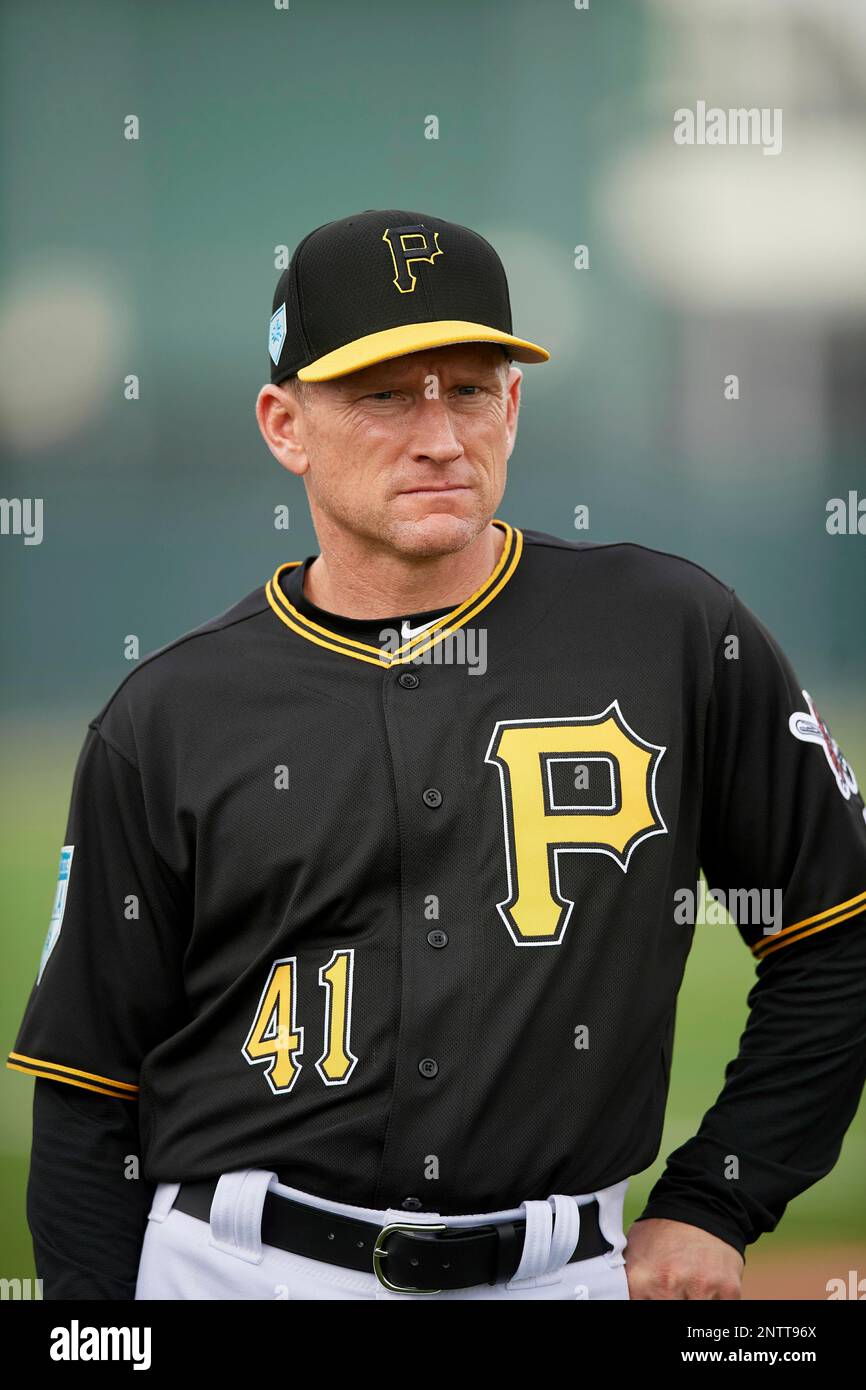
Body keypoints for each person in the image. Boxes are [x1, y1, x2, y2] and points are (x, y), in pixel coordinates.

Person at [9, 209, 866, 1301]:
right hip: (238, 1270)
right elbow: (89, 1092)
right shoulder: (169, 712)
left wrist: (717, 1196)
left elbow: (834, 931)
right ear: (284, 425)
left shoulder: (676, 632)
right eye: (382, 393)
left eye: (468, 388)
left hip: (559, 1275)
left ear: (512, 404)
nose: (438, 434)